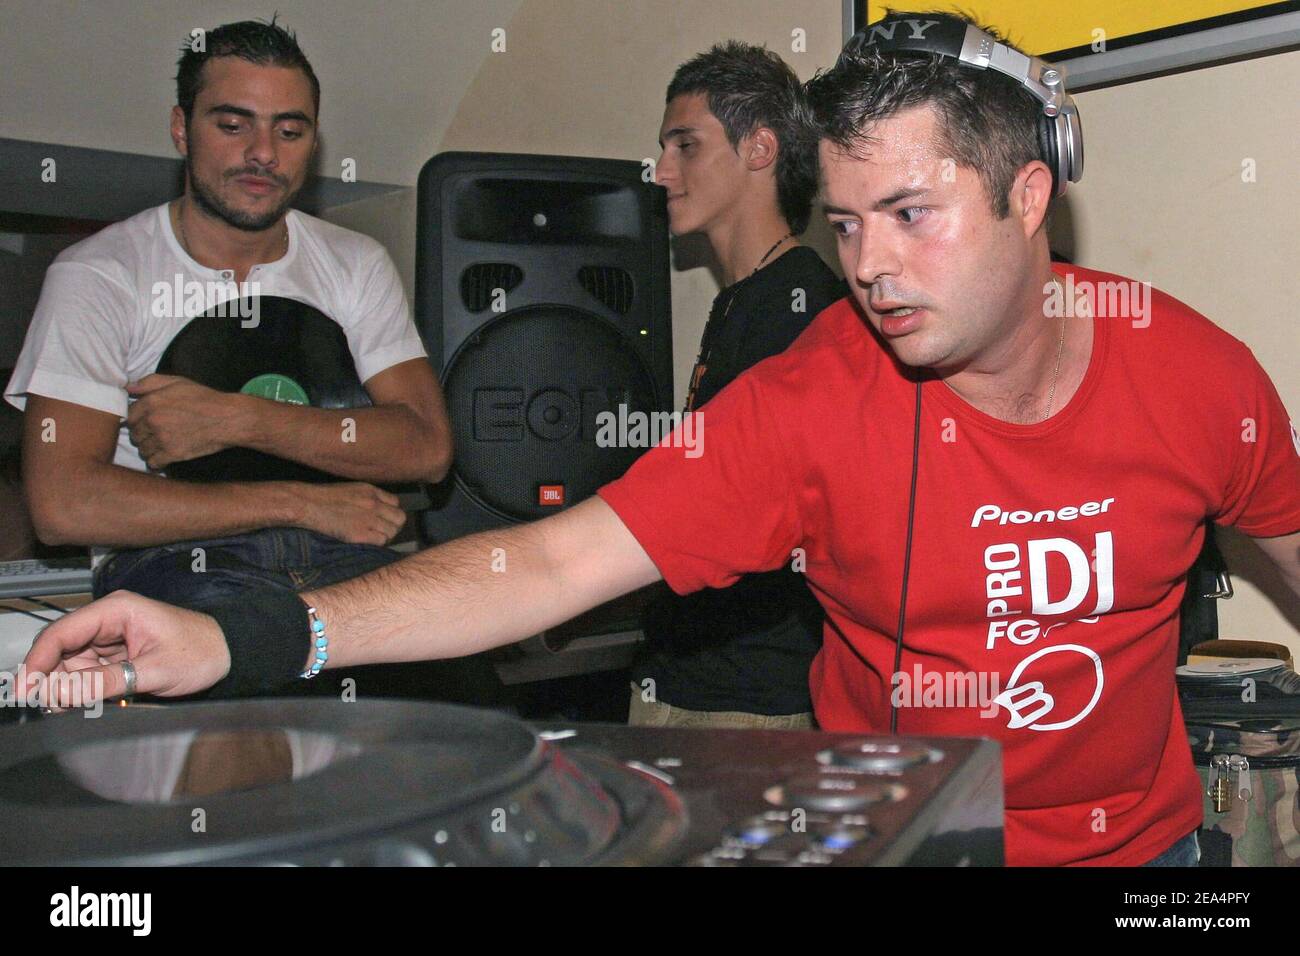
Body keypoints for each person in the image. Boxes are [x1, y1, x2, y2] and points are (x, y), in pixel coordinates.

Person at [25, 12, 1300, 867]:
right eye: (847, 223)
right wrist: (239, 631)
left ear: (1033, 193)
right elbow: (543, 566)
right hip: (915, 840)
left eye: (912, 212)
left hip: (1153, 861)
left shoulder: (1198, 376)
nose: (871, 267)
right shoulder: (809, 399)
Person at [5, 19, 452, 616]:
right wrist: (300, 502)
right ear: (181, 129)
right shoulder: (99, 274)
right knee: (264, 664)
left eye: (289, 131)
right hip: (175, 562)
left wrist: (239, 419)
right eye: (233, 125)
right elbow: (63, 506)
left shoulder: (355, 264)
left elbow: (426, 446)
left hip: (339, 553)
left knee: (457, 671)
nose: (263, 153)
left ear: (313, 144)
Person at [630, 42, 843, 729]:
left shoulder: (805, 306)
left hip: (748, 705)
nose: (661, 172)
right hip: (686, 684)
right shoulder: (741, 303)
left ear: (760, 149)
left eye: (685, 146)